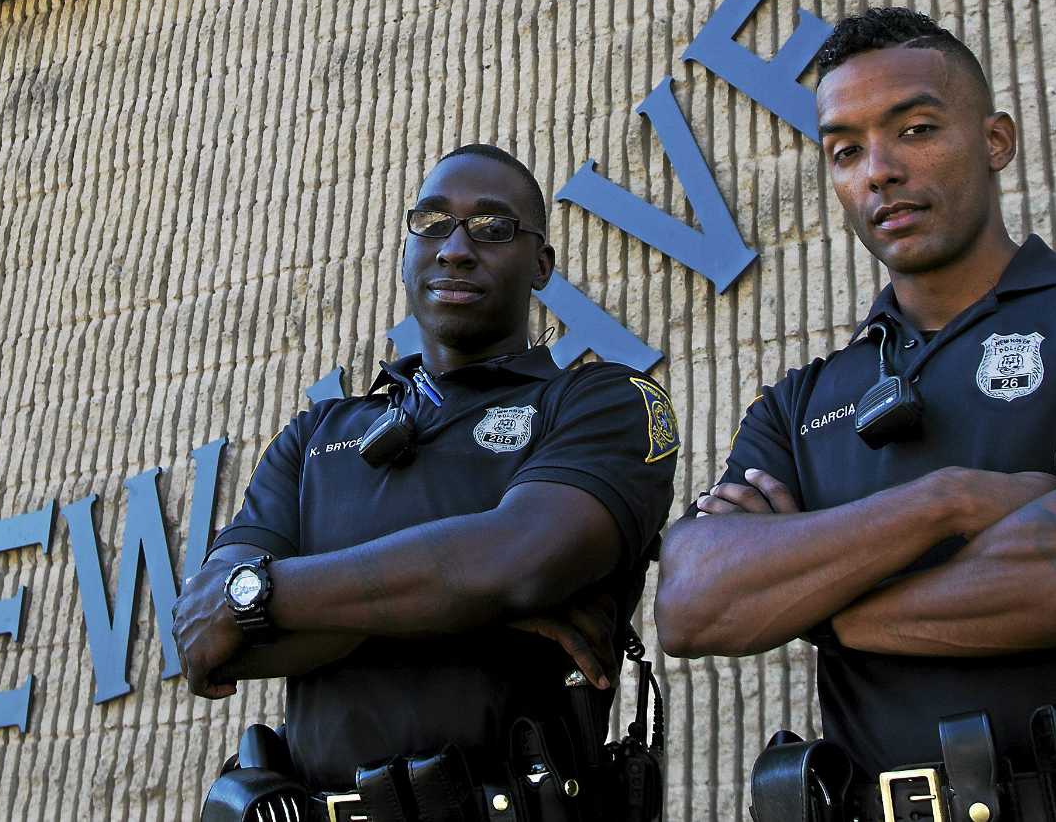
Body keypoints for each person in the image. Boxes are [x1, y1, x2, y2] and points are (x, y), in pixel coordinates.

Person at [656, 8, 1056, 816]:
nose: (880, 171)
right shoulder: (799, 402)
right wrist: (954, 501)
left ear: (996, 140)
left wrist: (816, 603)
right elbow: (694, 603)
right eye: (845, 150)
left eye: (916, 129)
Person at [174, 143, 680, 820]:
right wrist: (460, 596)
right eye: (433, 223)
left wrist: (264, 593)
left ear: (542, 265)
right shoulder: (315, 437)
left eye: (494, 227)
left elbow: (515, 561)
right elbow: (208, 635)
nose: (456, 248)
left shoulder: (600, 402)